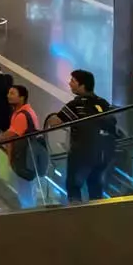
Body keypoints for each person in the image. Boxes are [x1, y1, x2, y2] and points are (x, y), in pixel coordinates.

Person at [48, 69, 117, 203]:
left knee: (73, 185)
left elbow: (55, 123)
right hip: (103, 154)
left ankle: (77, 217)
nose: (69, 83)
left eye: (73, 81)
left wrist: (52, 118)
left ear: (82, 85)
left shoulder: (77, 104)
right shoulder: (103, 103)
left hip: (81, 152)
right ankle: (98, 214)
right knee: (95, 185)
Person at [0, 84, 44, 206]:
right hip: (26, 159)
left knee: (25, 190)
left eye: (12, 93)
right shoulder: (24, 112)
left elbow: (10, 134)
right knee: (25, 190)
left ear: (22, 97)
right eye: (8, 93)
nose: (8, 96)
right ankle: (27, 212)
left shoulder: (23, 115)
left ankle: (28, 216)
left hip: (24, 160)